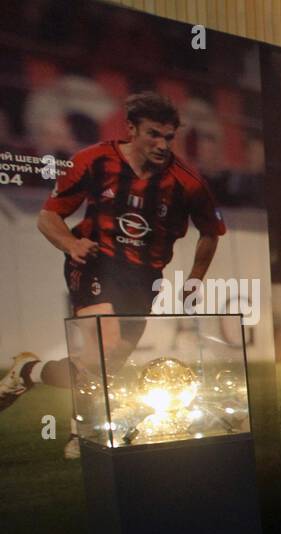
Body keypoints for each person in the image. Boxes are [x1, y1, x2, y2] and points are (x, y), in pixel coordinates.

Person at [3, 93, 226, 458]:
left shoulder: (187, 182)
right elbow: (49, 217)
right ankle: (83, 434)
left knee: (108, 364)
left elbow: (211, 232)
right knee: (103, 349)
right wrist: (70, 246)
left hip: (144, 276)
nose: (161, 144)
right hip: (94, 261)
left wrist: (196, 278)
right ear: (131, 129)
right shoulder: (93, 161)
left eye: (169, 137)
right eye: (153, 134)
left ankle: (27, 372)